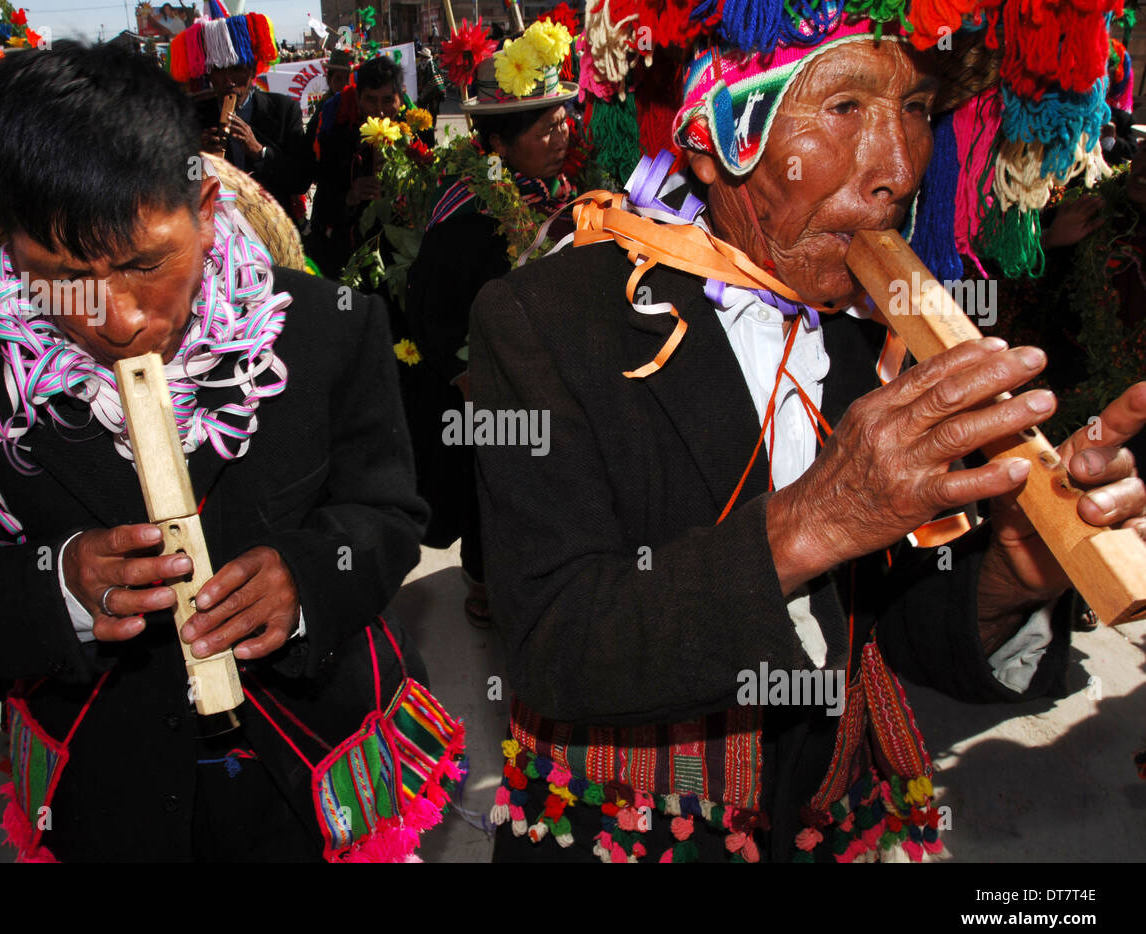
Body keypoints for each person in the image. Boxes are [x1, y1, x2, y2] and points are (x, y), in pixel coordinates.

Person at [471, 10, 1146, 863]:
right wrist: (818, 518)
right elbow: (553, 644)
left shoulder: (877, 329)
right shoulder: (547, 319)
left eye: (918, 109)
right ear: (713, 139)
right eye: (846, 108)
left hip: (834, 813)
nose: (898, 170)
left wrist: (1012, 575)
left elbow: (892, 624)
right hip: (634, 829)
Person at [0, 43, 435, 862]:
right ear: (8, 246)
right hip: (110, 791)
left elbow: (388, 513)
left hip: (315, 774)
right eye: (61, 279)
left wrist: (308, 575)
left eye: (146, 265)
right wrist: (60, 584)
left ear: (206, 207)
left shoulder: (329, 326)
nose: (119, 320)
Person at [405, 29, 577, 628]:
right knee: (493, 484)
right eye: (545, 130)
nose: (561, 137)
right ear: (499, 144)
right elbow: (429, 306)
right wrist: (464, 377)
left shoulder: (553, 193)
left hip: (542, 377)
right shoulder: (466, 211)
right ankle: (483, 577)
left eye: (562, 122)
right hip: (485, 384)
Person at [169, 11, 311, 212]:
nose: (228, 81)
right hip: (217, 227)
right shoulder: (193, 116)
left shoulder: (284, 110)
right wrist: (198, 157)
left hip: (271, 227)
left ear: (252, 70)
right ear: (209, 74)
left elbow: (300, 181)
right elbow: (182, 185)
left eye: (236, 69)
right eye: (219, 70)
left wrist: (259, 151)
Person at [307, 55, 404, 277]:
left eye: (388, 101)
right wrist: (350, 197)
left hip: (396, 260)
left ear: (400, 98)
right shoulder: (337, 136)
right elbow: (323, 209)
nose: (380, 111)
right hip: (348, 258)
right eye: (371, 100)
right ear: (358, 99)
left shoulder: (415, 132)